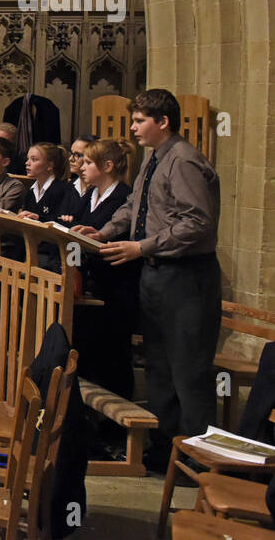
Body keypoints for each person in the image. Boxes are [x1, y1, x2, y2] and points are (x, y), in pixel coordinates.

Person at [74, 89, 221, 469]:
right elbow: (133, 206)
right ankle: (164, 448)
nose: (134, 128)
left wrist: (141, 247)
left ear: (163, 122)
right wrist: (104, 232)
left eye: (140, 120)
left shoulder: (184, 161)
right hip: (156, 275)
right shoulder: (155, 158)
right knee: (158, 366)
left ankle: (196, 460)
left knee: (187, 369)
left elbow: (197, 222)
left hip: (186, 276)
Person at [70, 138, 136, 400]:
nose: (81, 167)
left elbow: (117, 236)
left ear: (107, 166)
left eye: (88, 162)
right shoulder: (89, 194)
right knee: (85, 352)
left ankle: (115, 431)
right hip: (90, 285)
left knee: (113, 358)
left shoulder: (123, 196)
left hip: (115, 287)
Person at [18, 142, 81, 271]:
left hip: (52, 253)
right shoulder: (31, 191)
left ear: (49, 166)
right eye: (28, 159)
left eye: (34, 159)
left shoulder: (61, 190)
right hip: (31, 248)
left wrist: (38, 218)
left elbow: (61, 221)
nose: (27, 163)